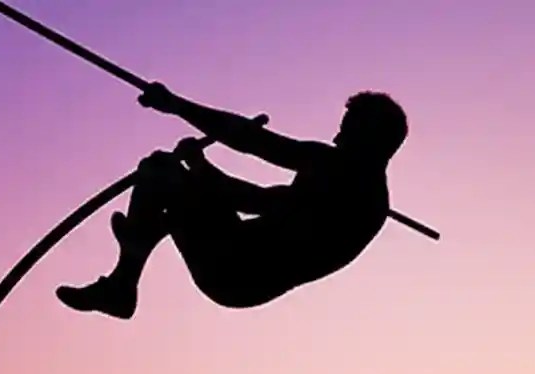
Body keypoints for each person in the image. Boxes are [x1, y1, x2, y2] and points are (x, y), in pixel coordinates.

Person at [56, 83, 408, 319]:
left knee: (159, 171)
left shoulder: (344, 171)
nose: (336, 136)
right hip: (241, 263)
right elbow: (261, 202)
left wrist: (177, 106)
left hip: (235, 267)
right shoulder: (364, 194)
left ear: (369, 136)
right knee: (168, 182)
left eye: (346, 130)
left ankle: (126, 275)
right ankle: (143, 239)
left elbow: (254, 145)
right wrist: (201, 167)